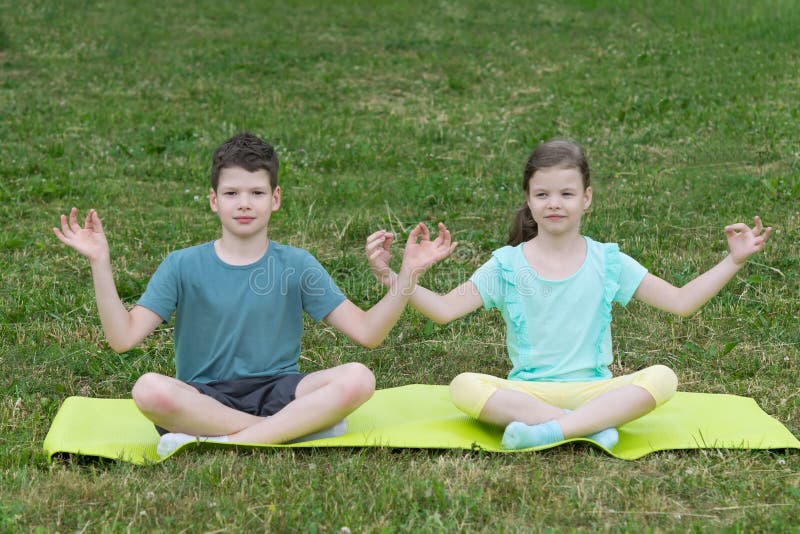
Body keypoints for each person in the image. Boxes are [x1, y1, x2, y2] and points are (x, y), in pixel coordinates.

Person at [54, 132, 455, 457]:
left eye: (256, 193)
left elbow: (368, 333)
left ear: (275, 199)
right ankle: (294, 431)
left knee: (359, 378)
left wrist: (407, 273)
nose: (244, 203)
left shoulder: (297, 264)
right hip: (203, 399)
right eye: (231, 194)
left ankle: (233, 440)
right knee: (148, 389)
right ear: (213, 201)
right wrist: (100, 263)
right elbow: (122, 339)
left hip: (279, 391)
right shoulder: (181, 265)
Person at [366, 138, 772, 451]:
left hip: (596, 390)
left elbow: (681, 302)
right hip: (528, 393)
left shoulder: (607, 261)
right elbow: (443, 310)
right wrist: (394, 276)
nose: (554, 204)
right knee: (463, 386)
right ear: (528, 200)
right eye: (542, 195)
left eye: (566, 194)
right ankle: (590, 427)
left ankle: (553, 431)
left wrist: (732, 262)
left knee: (663, 378)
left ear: (586, 199)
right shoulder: (507, 265)